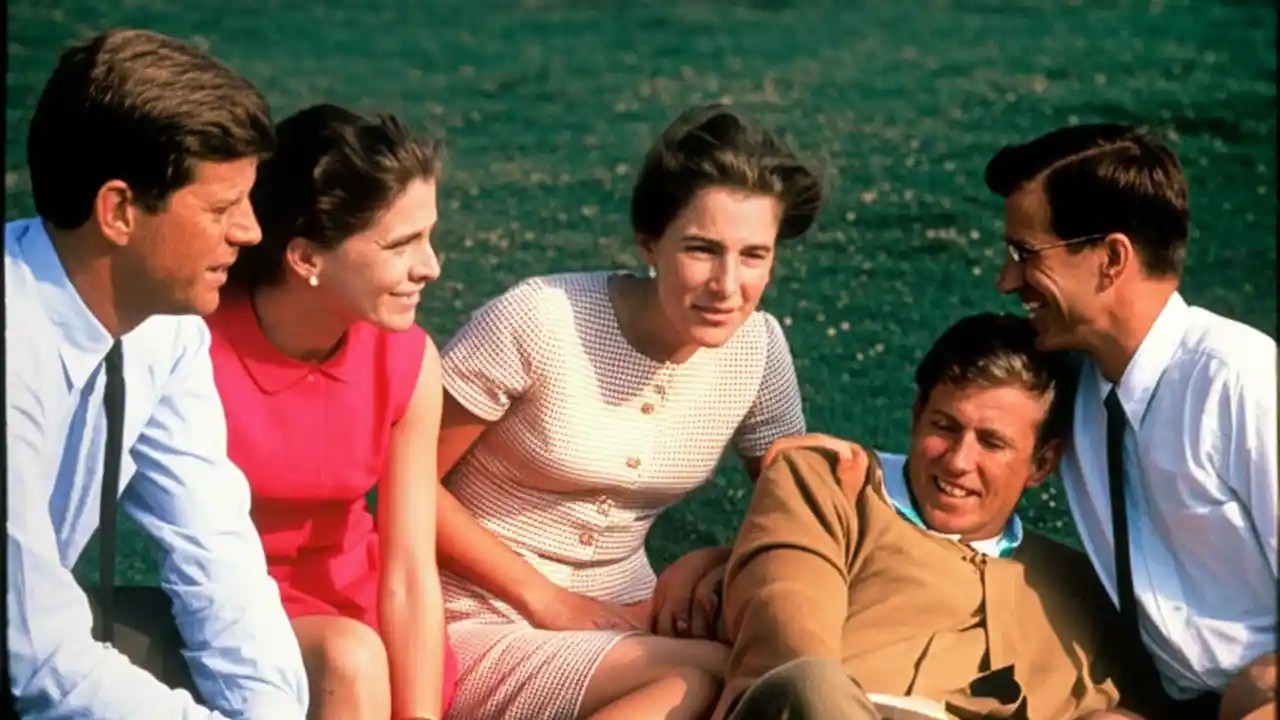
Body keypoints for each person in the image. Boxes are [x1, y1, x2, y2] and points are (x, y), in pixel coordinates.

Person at [433, 103, 825, 719]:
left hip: (629, 613)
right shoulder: (540, 318)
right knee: (715, 678)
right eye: (702, 249)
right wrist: (545, 599)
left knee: (788, 662)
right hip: (471, 615)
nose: (728, 285)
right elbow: (399, 485)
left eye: (754, 255)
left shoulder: (760, 347)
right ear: (650, 242)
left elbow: (798, 512)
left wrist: (714, 559)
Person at [6, 28, 309, 719]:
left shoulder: (165, 330)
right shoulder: (12, 350)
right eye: (220, 208)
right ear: (118, 211)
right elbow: (38, 654)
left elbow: (217, 554)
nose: (252, 231)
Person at [986, 124, 1276, 720]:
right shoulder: (1071, 380)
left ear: (1112, 258)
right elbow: (964, 434)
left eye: (1024, 253)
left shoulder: (1237, 379)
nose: (1007, 280)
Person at [713, 313, 1122, 720]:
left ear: (1041, 464)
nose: (959, 461)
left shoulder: (1080, 588)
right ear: (915, 417)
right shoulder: (833, 486)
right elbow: (787, 640)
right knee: (811, 681)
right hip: (834, 709)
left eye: (991, 443)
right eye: (945, 427)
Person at [207, 103, 458, 719]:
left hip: (367, 610)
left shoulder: (408, 360)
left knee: (362, 656)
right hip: (230, 609)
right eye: (402, 243)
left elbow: (408, 570)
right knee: (351, 657)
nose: (431, 266)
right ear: (306, 258)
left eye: (428, 236)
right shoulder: (194, 349)